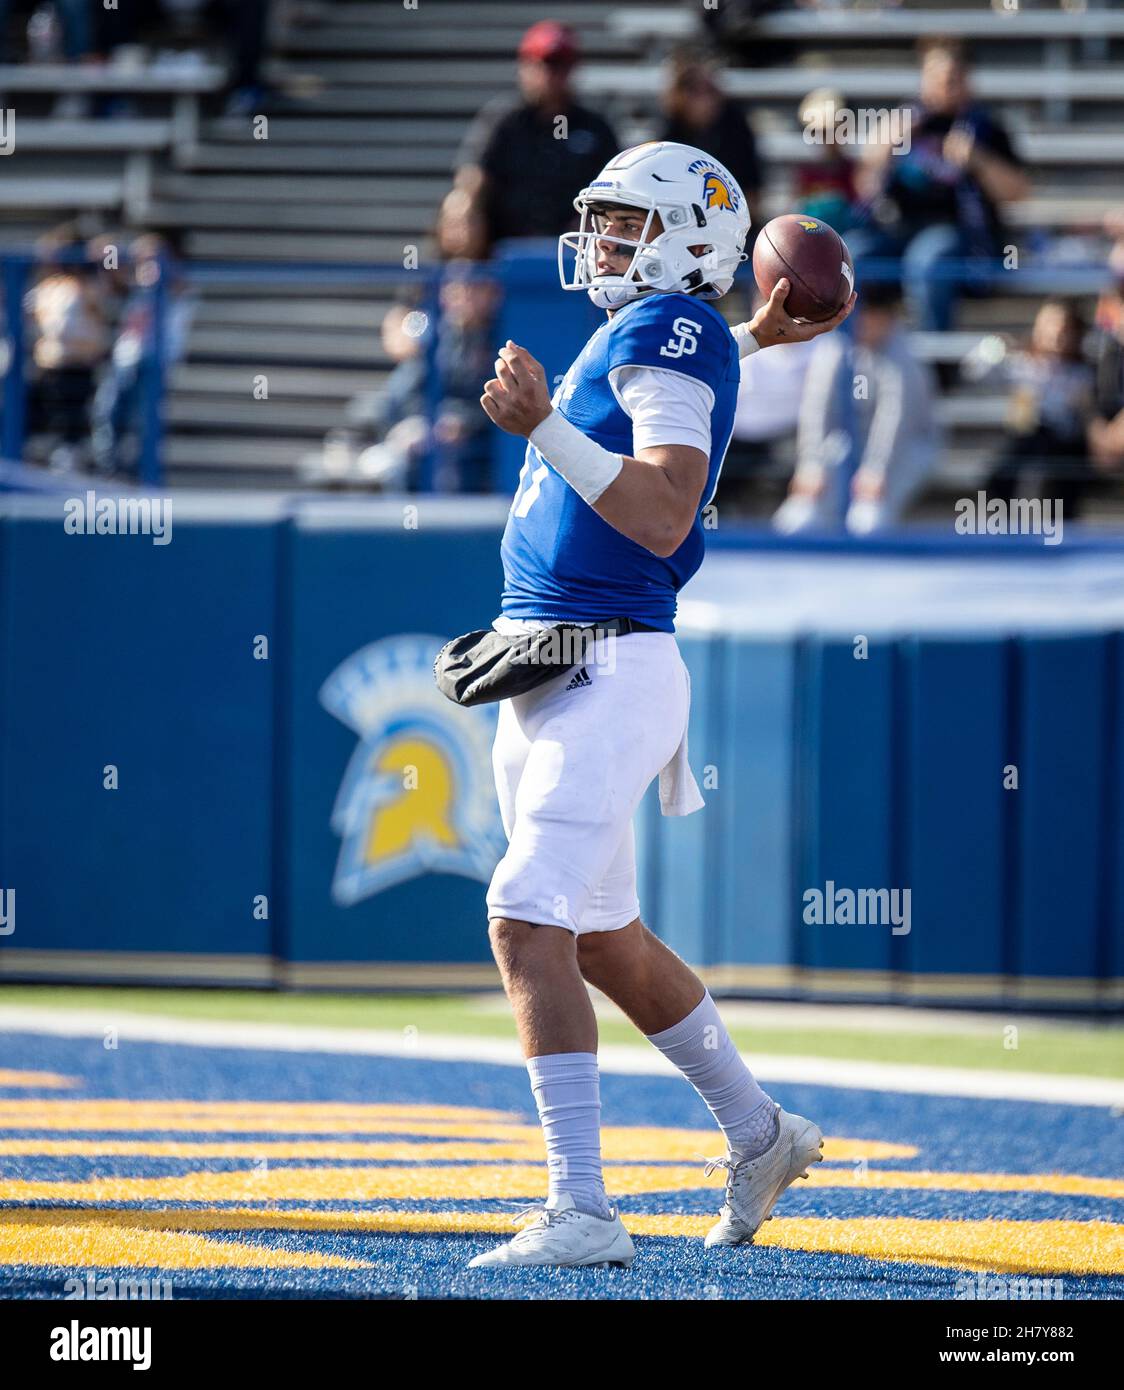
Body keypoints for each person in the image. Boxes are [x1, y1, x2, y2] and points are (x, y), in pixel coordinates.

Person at [467, 141, 854, 1269]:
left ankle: (580, 1206)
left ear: (689, 238)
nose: (600, 242)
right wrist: (750, 340)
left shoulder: (664, 326)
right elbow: (655, 392)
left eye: (626, 224)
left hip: (605, 662)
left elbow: (662, 511)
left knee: (524, 912)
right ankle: (759, 1131)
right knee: (600, 939)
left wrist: (540, 425)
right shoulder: (666, 333)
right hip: (555, 661)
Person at [848, 39, 1028, 332]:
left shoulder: (985, 127)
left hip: (957, 232)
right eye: (936, 78)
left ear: (967, 80)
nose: (945, 86)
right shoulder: (903, 121)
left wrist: (979, 162)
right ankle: (847, 356)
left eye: (953, 79)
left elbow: (1018, 193)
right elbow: (864, 185)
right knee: (851, 254)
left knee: (928, 260)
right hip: (897, 227)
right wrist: (886, 145)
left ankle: (932, 366)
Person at [775, 279, 938, 535]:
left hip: (909, 448)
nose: (863, 321)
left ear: (887, 317)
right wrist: (811, 466)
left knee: (868, 522)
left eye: (870, 314)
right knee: (797, 520)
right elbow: (817, 410)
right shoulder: (837, 344)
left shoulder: (904, 355)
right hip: (847, 443)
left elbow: (895, 419)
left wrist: (876, 470)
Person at [453, 21, 619, 252]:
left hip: (576, 249)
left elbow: (617, 188)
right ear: (524, 65)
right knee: (457, 209)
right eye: (544, 63)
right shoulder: (504, 121)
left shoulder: (595, 127)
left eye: (561, 64)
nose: (551, 74)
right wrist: (467, 210)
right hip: (505, 245)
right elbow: (474, 176)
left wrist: (594, 218)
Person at [656, 51, 764, 238]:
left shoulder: (736, 128)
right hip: (681, 226)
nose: (705, 99)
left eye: (709, 90)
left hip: (732, 226)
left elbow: (752, 193)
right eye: (694, 90)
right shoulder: (669, 135)